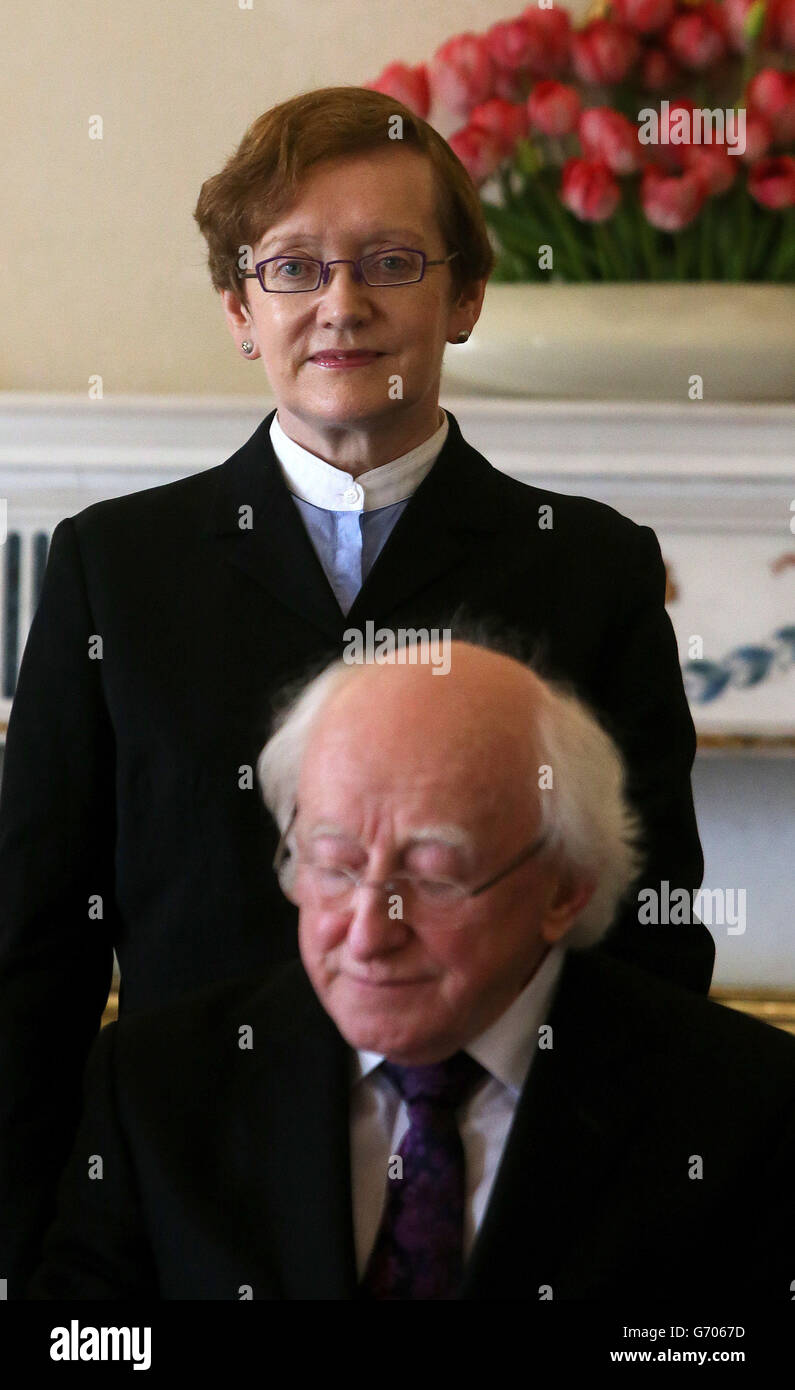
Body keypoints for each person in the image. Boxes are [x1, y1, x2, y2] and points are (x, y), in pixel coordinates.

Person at [0, 85, 710, 1299]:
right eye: (293, 268)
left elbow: (648, 935)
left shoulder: (587, 565)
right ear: (239, 306)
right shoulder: (115, 568)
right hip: (185, 1216)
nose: (342, 305)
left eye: (390, 260)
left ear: (465, 294)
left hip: (508, 1219)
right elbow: (30, 959)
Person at [27, 645, 793, 1301]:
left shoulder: (745, 1111)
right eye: (331, 865)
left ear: (563, 889)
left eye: (431, 879)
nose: (366, 935)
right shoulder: (159, 1087)